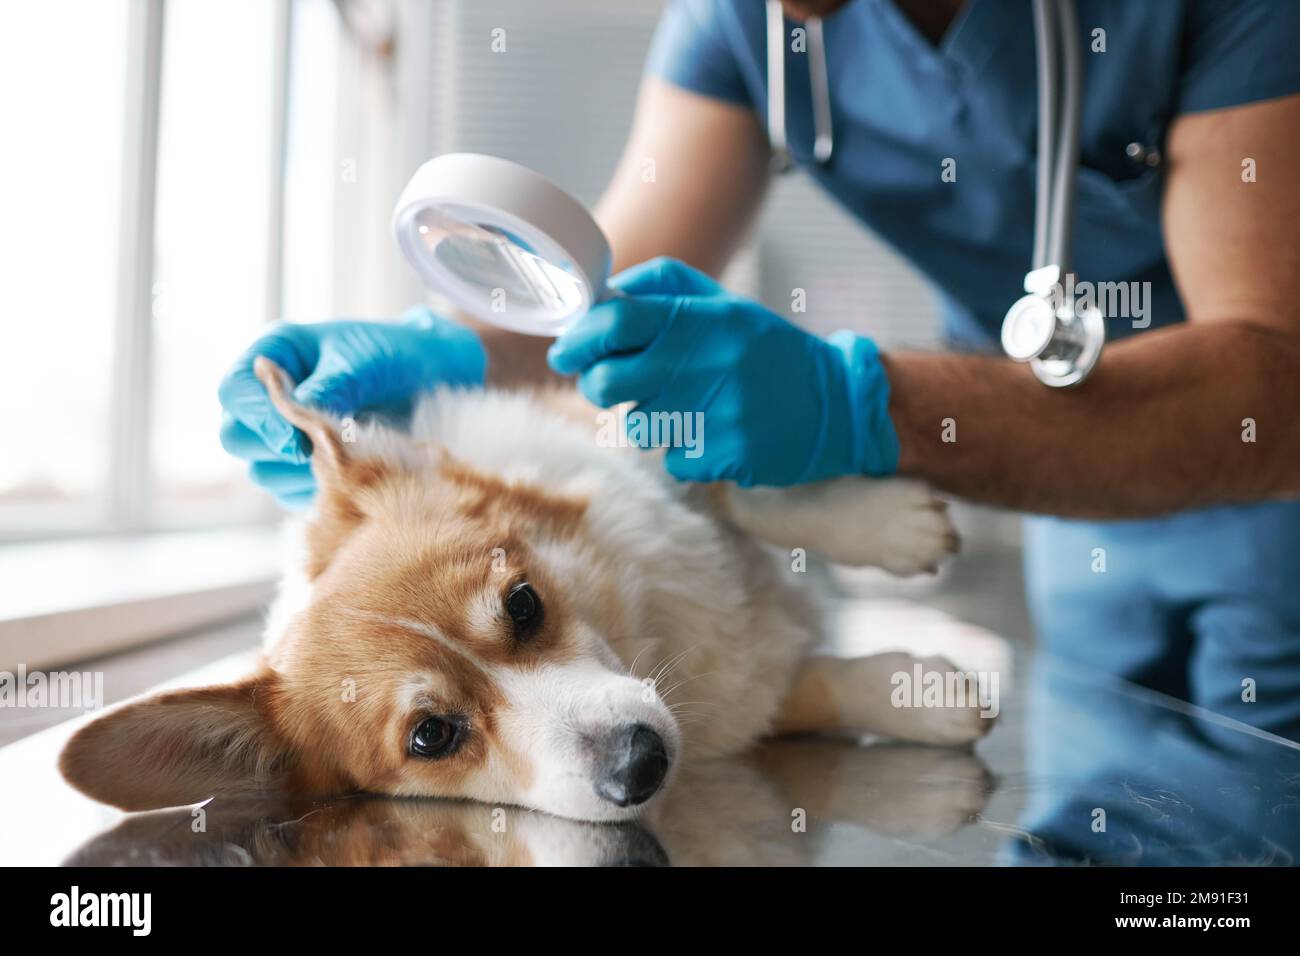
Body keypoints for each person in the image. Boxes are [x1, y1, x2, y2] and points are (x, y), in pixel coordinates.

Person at [218, 0, 1300, 739]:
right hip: (1073, 488)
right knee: (1119, 815)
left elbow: (1276, 385)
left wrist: (859, 404)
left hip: (1270, 503)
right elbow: (590, 290)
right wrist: (444, 347)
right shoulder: (745, 26)